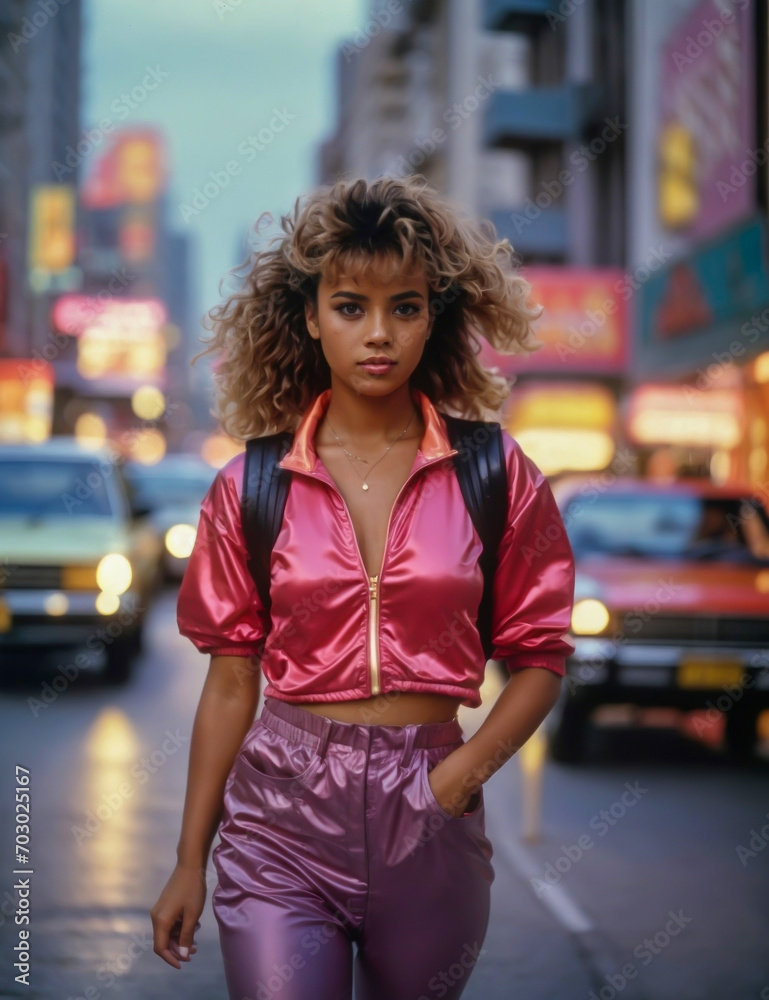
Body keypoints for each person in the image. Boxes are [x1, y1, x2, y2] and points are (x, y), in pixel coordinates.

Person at [150, 174, 575, 1000]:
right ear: (311, 317)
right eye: (350, 307)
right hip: (280, 812)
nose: (377, 334)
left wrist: (454, 781)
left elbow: (541, 658)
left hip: (430, 812)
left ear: (432, 319)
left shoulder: (495, 473)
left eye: (404, 308)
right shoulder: (252, 485)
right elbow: (231, 681)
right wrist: (186, 861)